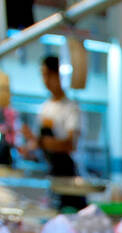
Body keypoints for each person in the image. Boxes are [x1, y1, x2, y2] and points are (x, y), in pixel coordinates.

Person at [22, 55, 82, 208]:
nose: (45, 80)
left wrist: (40, 142)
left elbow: (70, 144)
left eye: (48, 75)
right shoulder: (45, 108)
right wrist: (30, 146)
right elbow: (39, 145)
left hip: (70, 176)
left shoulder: (71, 107)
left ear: (58, 75)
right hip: (51, 174)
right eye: (43, 75)